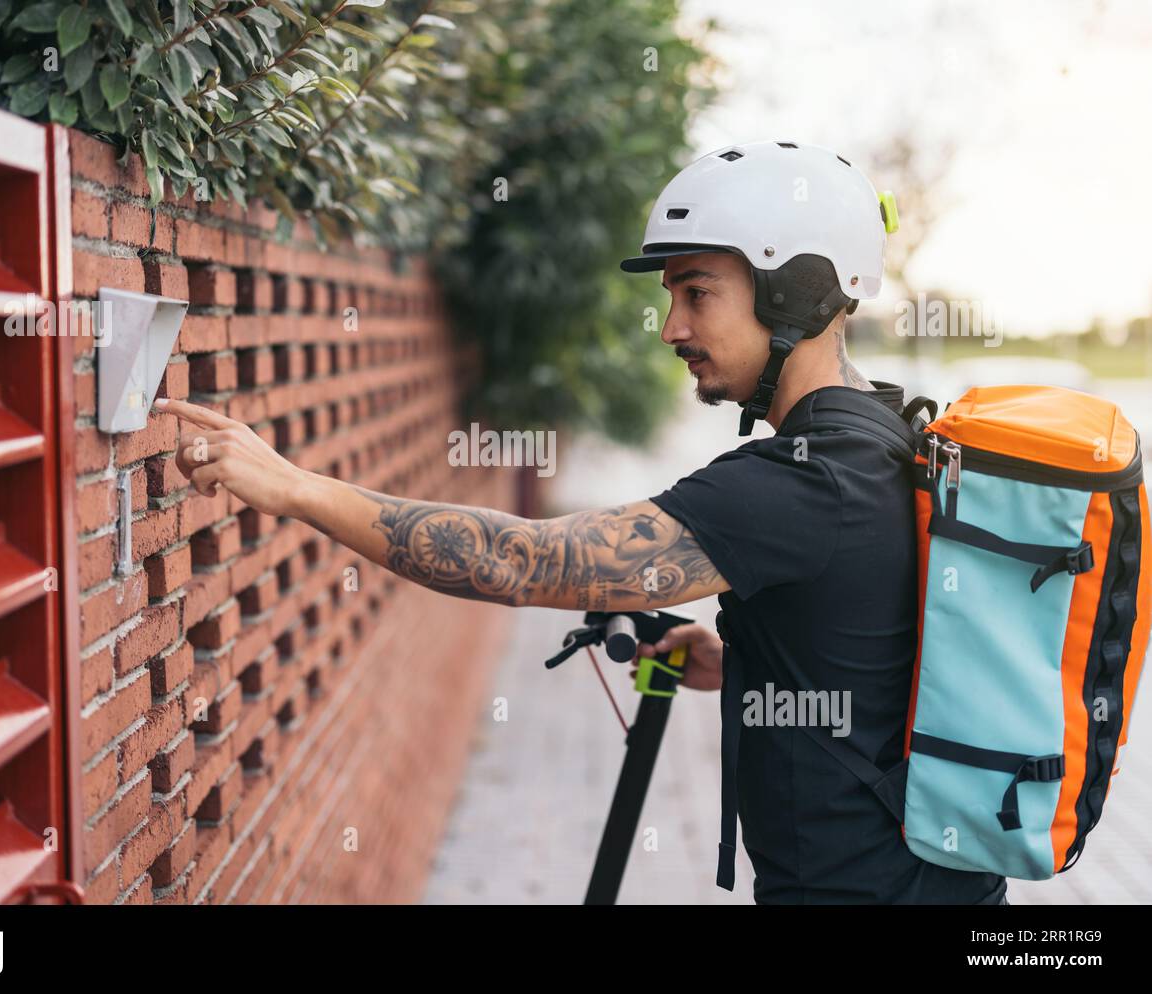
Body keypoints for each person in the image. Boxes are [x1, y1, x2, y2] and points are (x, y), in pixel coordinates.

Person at [154, 140, 1007, 904]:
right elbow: (883, 633)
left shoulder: (804, 481)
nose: (671, 327)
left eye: (697, 292)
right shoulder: (889, 431)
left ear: (799, 291)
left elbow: (524, 560)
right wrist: (751, 657)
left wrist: (296, 488)